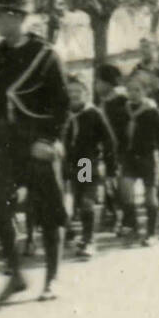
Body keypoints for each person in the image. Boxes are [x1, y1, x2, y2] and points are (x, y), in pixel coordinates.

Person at [0, 0, 70, 303]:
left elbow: (62, 105)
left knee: (49, 211)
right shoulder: (0, 53)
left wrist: (50, 141)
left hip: (39, 140)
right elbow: (0, 100)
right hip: (8, 142)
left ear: (15, 15)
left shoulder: (46, 55)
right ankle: (16, 273)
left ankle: (52, 278)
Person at [63, 75, 116, 260]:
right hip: (66, 163)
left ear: (86, 94)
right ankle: (73, 235)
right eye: (70, 92)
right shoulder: (62, 113)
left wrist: (110, 168)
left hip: (85, 162)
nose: (74, 95)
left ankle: (89, 240)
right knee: (73, 202)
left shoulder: (93, 113)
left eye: (78, 91)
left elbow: (109, 141)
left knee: (86, 201)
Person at [121, 68, 159, 246]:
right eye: (130, 90)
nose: (133, 94)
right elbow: (119, 135)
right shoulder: (124, 109)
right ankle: (132, 227)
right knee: (126, 191)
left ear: (145, 91)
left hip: (148, 156)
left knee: (150, 195)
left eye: (137, 90)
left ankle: (151, 232)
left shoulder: (152, 111)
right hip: (129, 157)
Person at [93, 63, 130, 234]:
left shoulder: (120, 102)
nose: (96, 86)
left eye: (98, 82)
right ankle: (107, 215)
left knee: (116, 185)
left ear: (108, 83)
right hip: (91, 154)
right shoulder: (99, 103)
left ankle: (123, 219)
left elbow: (122, 132)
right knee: (85, 182)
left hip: (116, 152)